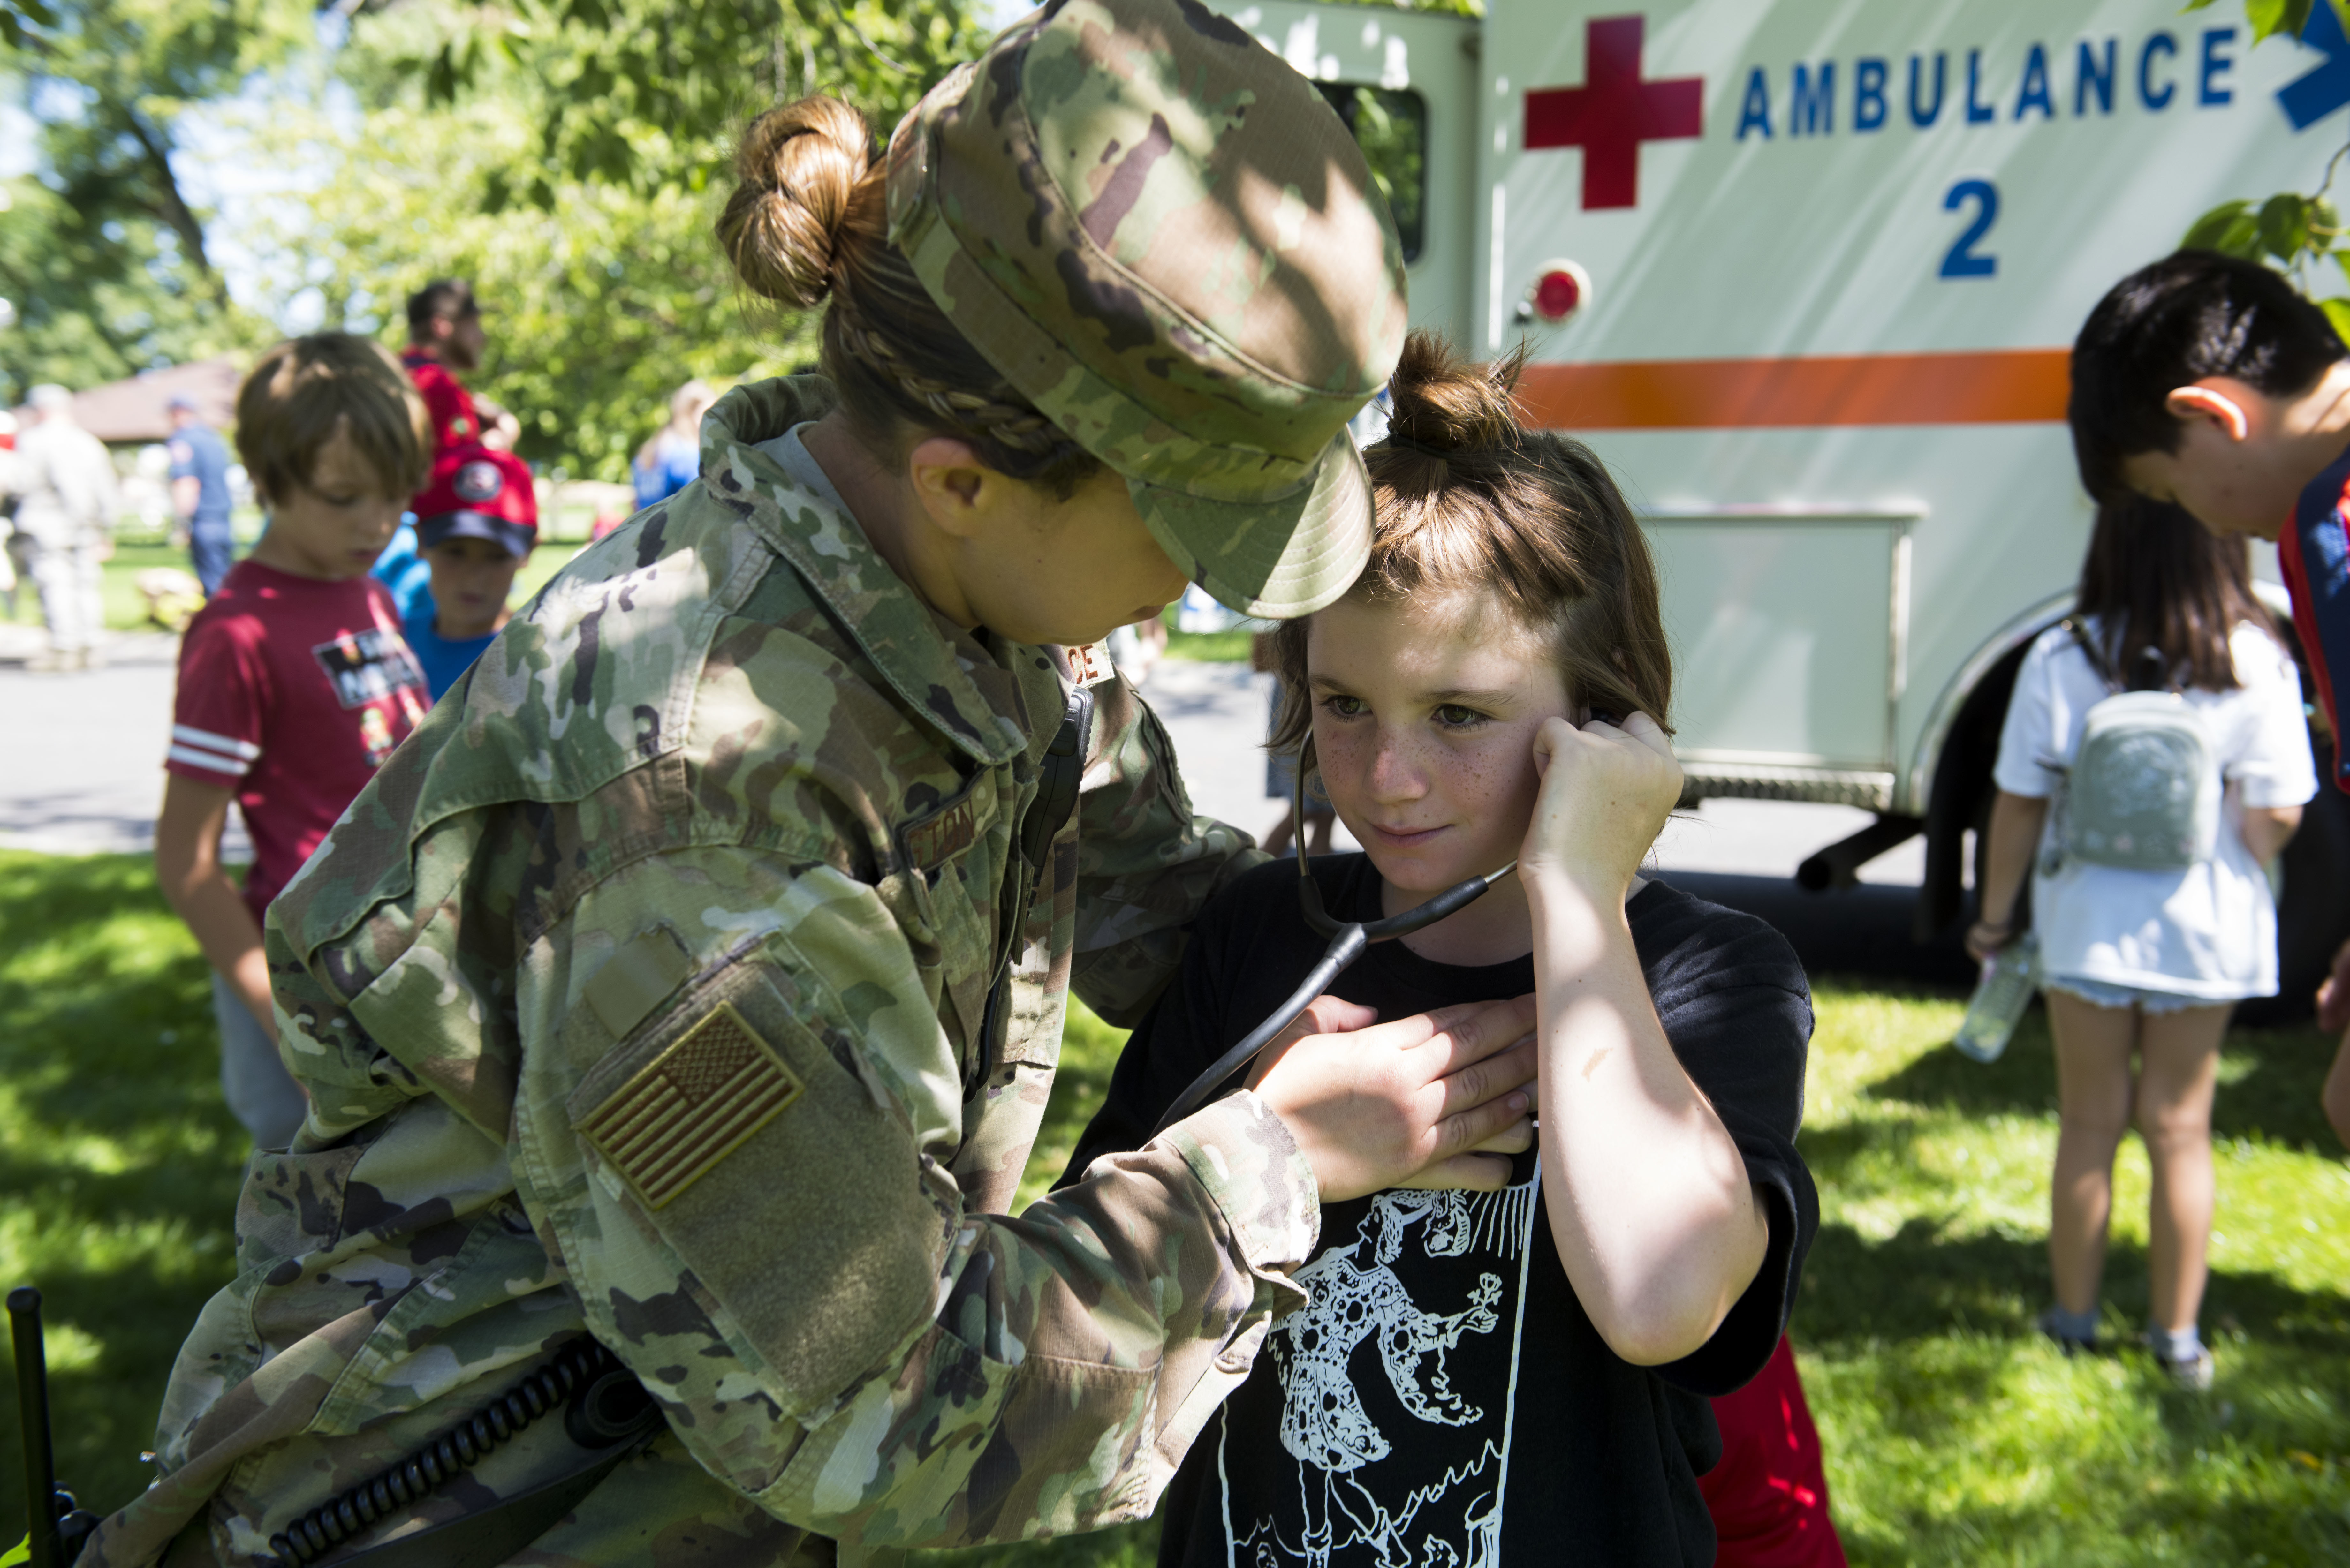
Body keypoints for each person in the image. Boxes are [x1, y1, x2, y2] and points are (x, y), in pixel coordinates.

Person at [80, 10, 1544, 1564]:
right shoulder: (698, 796)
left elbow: (1165, 906)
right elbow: (876, 1412)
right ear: (962, 481)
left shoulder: (991, 608)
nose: (1187, 589)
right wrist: (1277, 1164)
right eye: (1181, 529)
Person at [1059, 334, 1825, 1567]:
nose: (1388, 775)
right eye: (1345, 705)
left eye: (1458, 713)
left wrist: (1576, 888)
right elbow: (1093, 1314)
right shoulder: (1264, 934)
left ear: (1603, 711)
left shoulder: (1705, 974)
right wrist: (1278, 1142)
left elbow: (1659, 1299)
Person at [1968, 496, 2314, 1389]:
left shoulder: (2065, 651)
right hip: (2208, 935)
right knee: (2182, 1130)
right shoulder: (2257, 657)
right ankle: (2177, 1338)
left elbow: (2018, 801)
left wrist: (1996, 919)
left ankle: (2073, 1318)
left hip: (2086, 927)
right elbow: (2279, 809)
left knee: (2088, 1123)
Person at [150, 333, 434, 1154]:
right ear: (272, 476)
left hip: (400, 964)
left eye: (396, 495)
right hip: (306, 987)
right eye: (344, 496)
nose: (377, 522)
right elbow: (185, 859)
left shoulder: (372, 590)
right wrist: (279, 1024)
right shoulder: (236, 631)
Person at [402, 442, 538, 699]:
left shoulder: (542, 662)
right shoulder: (395, 644)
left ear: (529, 551)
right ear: (420, 540)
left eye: (497, 557)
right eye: (455, 552)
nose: (474, 576)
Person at [9, 383, 121, 672]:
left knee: (55, 584)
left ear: (40, 410)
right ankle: (90, 645)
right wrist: (105, 527)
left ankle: (64, 647)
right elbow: (106, 490)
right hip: (86, 527)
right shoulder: (87, 442)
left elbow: (20, 482)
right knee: (86, 584)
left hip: (47, 524)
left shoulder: (34, 441)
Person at [165, 393, 236, 596]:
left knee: (213, 589)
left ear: (178, 414)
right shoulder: (214, 439)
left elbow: (186, 483)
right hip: (224, 520)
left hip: (203, 520)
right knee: (227, 582)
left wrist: (180, 524)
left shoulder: (183, 440)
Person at [632, 377, 717, 509]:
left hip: (647, 528)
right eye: (710, 414)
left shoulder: (649, 451)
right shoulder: (688, 455)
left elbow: (636, 504)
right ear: (692, 412)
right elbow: (701, 506)